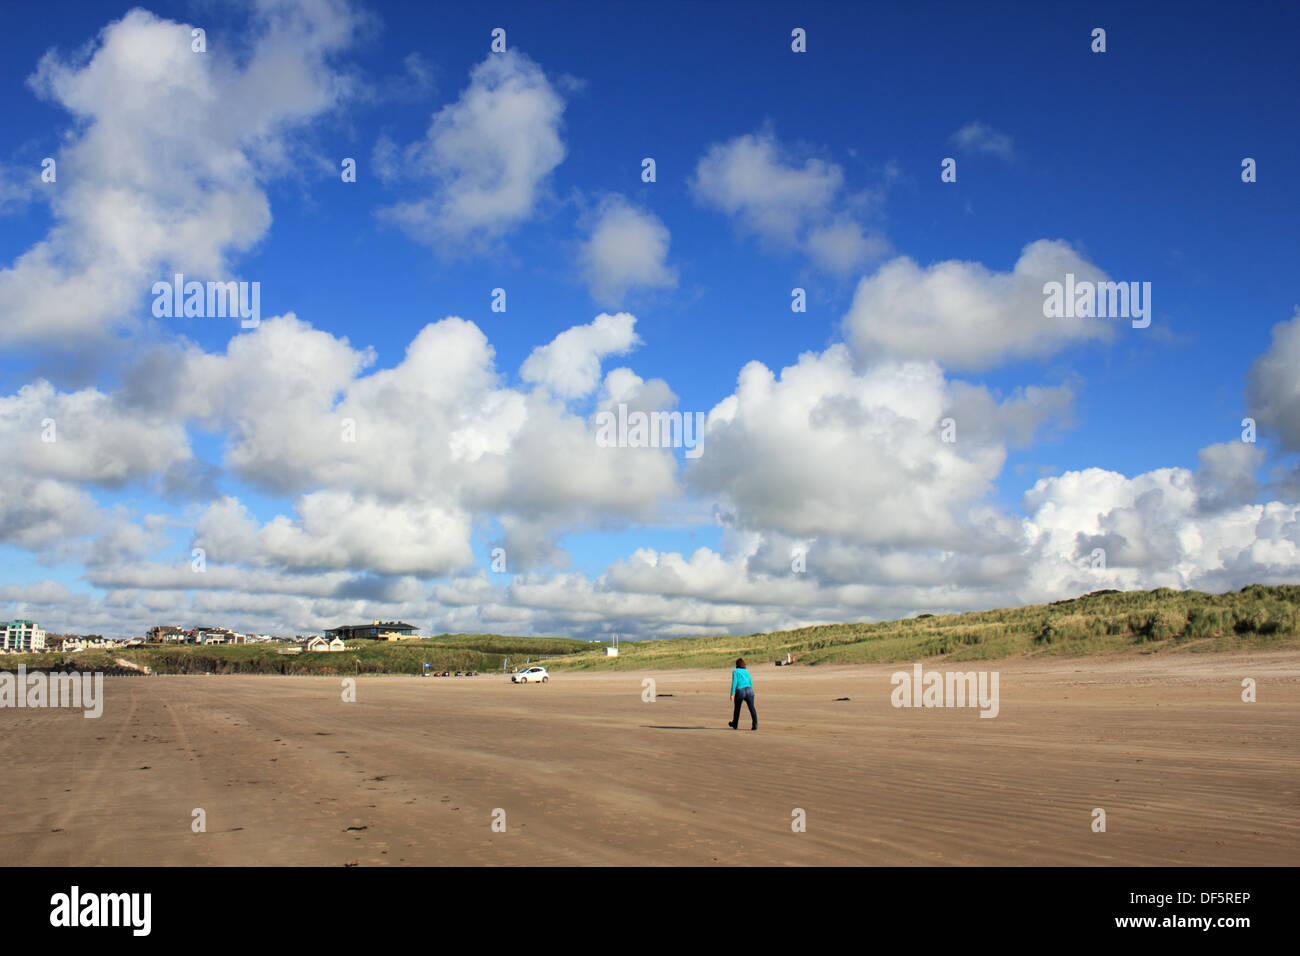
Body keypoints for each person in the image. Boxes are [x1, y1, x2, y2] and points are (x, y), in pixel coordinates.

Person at [728, 658, 757, 730]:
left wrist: (732, 694)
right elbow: (751, 682)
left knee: (737, 709)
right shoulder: (747, 671)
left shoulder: (735, 671)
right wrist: (750, 690)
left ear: (737, 665)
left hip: (740, 691)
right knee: (752, 708)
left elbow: (734, 683)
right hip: (749, 690)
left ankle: (735, 724)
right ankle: (755, 724)